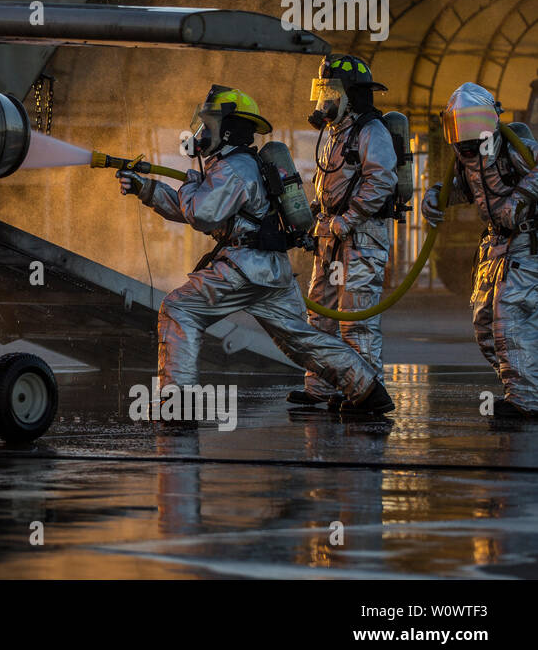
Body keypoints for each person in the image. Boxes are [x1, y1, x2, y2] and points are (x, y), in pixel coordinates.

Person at [117, 85, 395, 416]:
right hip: (270, 272)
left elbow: (200, 213)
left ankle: (177, 406)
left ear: (229, 129)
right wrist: (145, 188)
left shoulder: (234, 168)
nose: (201, 134)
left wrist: (192, 179)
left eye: (209, 126)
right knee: (300, 339)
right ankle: (366, 389)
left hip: (242, 267)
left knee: (179, 310)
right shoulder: (237, 165)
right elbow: (195, 207)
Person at [422, 82, 538, 419]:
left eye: (473, 123)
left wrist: (520, 200)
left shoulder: (514, 148)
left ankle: (525, 401)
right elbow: (465, 189)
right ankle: (521, 388)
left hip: (524, 244)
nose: (467, 134)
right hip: (495, 246)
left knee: (508, 322)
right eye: (460, 125)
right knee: (485, 326)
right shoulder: (464, 160)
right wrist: (436, 196)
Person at [290, 55, 399, 408]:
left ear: (350, 95)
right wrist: (310, 219)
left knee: (355, 319)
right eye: (323, 92)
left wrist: (346, 220)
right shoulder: (337, 134)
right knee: (320, 315)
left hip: (361, 238)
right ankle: (320, 388)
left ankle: (365, 393)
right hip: (331, 236)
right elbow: (329, 188)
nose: (325, 100)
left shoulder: (371, 131)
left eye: (331, 92)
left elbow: (381, 180)